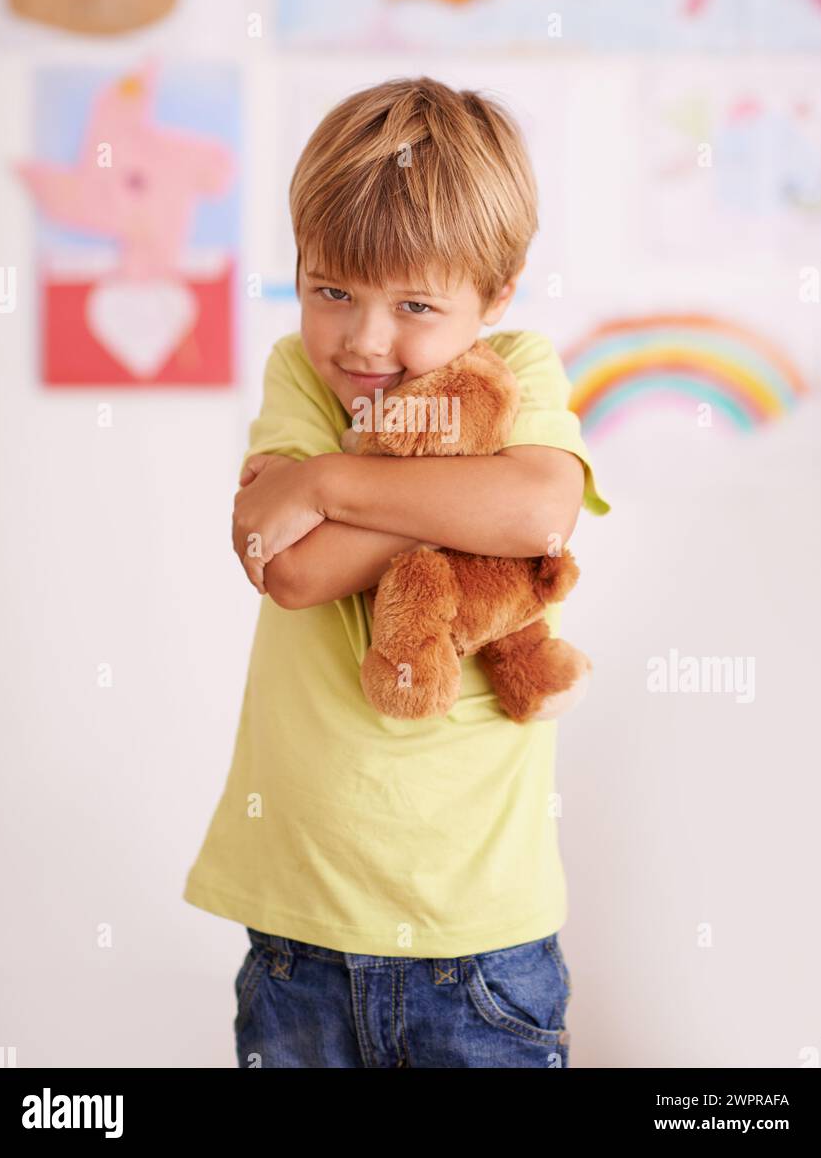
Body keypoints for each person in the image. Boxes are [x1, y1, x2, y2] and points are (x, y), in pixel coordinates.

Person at [182, 76, 611, 1068]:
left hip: (478, 942)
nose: (364, 338)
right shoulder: (299, 372)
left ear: (495, 297)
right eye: (331, 289)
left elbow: (540, 508)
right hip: (302, 932)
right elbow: (287, 567)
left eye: (415, 303)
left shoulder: (522, 368)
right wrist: (461, 490)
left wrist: (333, 478)